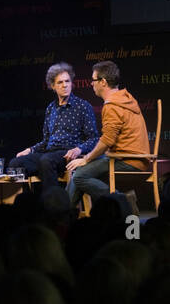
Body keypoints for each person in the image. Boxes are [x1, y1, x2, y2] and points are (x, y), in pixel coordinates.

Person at [64, 61, 149, 209]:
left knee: (80, 176)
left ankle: (123, 202)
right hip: (129, 157)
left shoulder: (111, 106)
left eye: (94, 80)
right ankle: (65, 212)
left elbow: (107, 141)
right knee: (80, 173)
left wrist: (86, 159)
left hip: (129, 161)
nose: (91, 84)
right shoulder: (125, 97)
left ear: (103, 82)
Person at [11, 62, 100, 191]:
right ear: (53, 86)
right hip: (49, 154)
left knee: (46, 161)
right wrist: (30, 150)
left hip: (68, 154)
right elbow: (46, 141)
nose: (65, 85)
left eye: (67, 81)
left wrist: (79, 149)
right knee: (16, 163)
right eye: (60, 82)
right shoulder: (50, 108)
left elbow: (93, 138)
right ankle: (30, 203)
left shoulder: (83, 106)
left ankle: (55, 206)